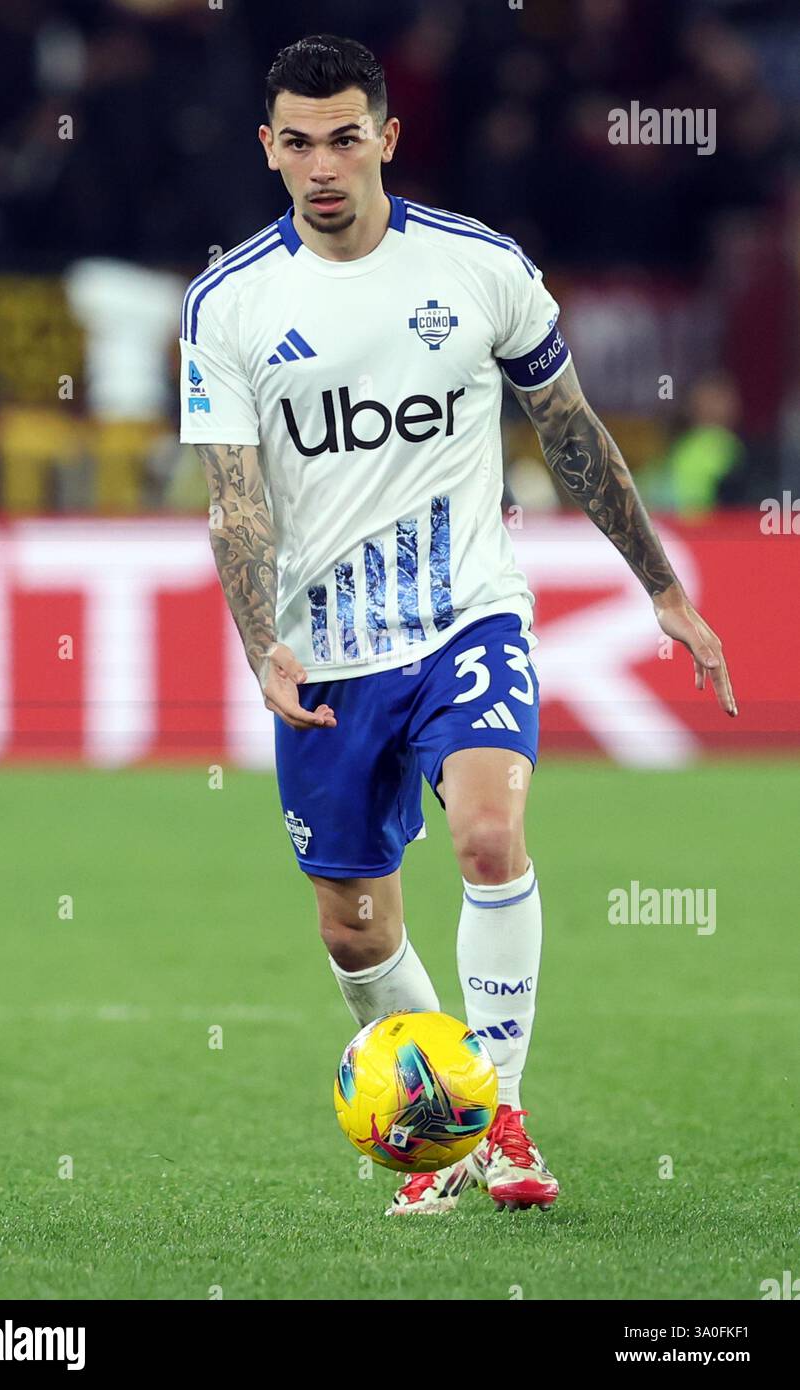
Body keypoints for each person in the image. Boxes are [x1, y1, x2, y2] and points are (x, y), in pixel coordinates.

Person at [179, 34, 737, 1216]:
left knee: (489, 837)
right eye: (297, 141)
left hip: (464, 615)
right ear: (266, 148)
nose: (321, 164)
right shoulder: (227, 305)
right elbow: (232, 495)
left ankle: (506, 1122)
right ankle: (444, 1127)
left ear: (385, 137)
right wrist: (254, 638)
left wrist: (661, 584)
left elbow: (571, 433)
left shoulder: (478, 269)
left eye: (344, 137)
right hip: (324, 650)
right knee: (351, 930)